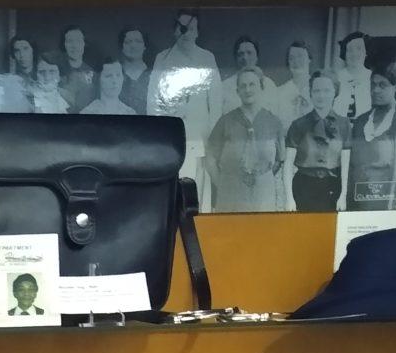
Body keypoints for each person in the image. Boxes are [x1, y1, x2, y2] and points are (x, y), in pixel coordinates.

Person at [147, 11, 223, 203]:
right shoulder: (162, 59)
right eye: (181, 29)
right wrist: (159, 137)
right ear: (174, 31)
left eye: (191, 29)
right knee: (173, 192)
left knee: (199, 194)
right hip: (172, 139)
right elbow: (153, 102)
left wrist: (213, 141)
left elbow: (215, 102)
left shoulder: (207, 58)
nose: (186, 34)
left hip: (201, 138)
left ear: (197, 32)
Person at [206, 67, 285, 212]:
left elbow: (280, 160)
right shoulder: (225, 121)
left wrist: (261, 179)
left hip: (263, 195)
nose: (247, 90)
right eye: (243, 86)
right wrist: (223, 184)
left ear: (261, 87)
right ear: (237, 91)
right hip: (231, 193)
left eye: (252, 84)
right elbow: (210, 158)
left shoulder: (274, 122)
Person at [346, 62, 396, 212]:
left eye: (383, 85)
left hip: (388, 204)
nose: (376, 90)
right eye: (372, 85)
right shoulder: (361, 122)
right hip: (358, 202)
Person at [284, 69, 351, 213]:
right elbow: (288, 164)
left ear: (335, 92)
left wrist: (343, 195)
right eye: (317, 91)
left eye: (327, 90)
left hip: (332, 187)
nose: (321, 95)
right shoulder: (298, 125)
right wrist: (289, 198)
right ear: (311, 93)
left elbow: (346, 165)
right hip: (303, 187)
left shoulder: (344, 124)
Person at [220, 35, 279, 116]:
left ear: (257, 56)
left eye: (249, 53)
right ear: (236, 58)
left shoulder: (269, 85)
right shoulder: (225, 86)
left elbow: (276, 115)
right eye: (240, 54)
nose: (245, 57)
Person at [275, 40, 315, 134]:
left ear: (309, 59)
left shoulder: (319, 90)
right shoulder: (279, 93)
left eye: (300, 56)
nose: (296, 61)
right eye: (291, 58)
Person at [336, 30, 373, 122]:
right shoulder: (336, 77)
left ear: (366, 53)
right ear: (344, 54)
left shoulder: (373, 78)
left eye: (359, 49)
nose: (354, 54)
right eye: (350, 50)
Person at [59, 25, 96, 112]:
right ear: (65, 45)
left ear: (84, 44)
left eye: (78, 41)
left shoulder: (93, 73)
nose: (74, 46)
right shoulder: (56, 71)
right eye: (70, 41)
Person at [118, 26, 151, 115]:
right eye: (128, 42)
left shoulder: (154, 76)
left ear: (145, 46)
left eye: (138, 41)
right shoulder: (113, 75)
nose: (133, 46)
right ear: (122, 47)